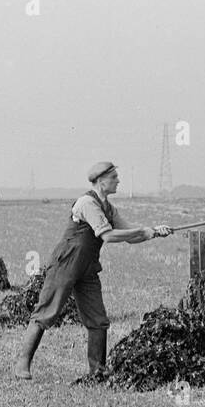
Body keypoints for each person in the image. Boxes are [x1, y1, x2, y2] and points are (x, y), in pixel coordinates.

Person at [13, 161, 172, 381]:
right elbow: (108, 235)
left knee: (98, 319)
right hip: (66, 263)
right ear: (101, 181)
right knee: (47, 311)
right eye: (114, 177)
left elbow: (129, 235)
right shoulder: (87, 203)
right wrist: (143, 231)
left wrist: (154, 232)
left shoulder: (109, 208)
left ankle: (97, 372)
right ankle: (23, 363)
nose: (118, 181)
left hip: (87, 268)